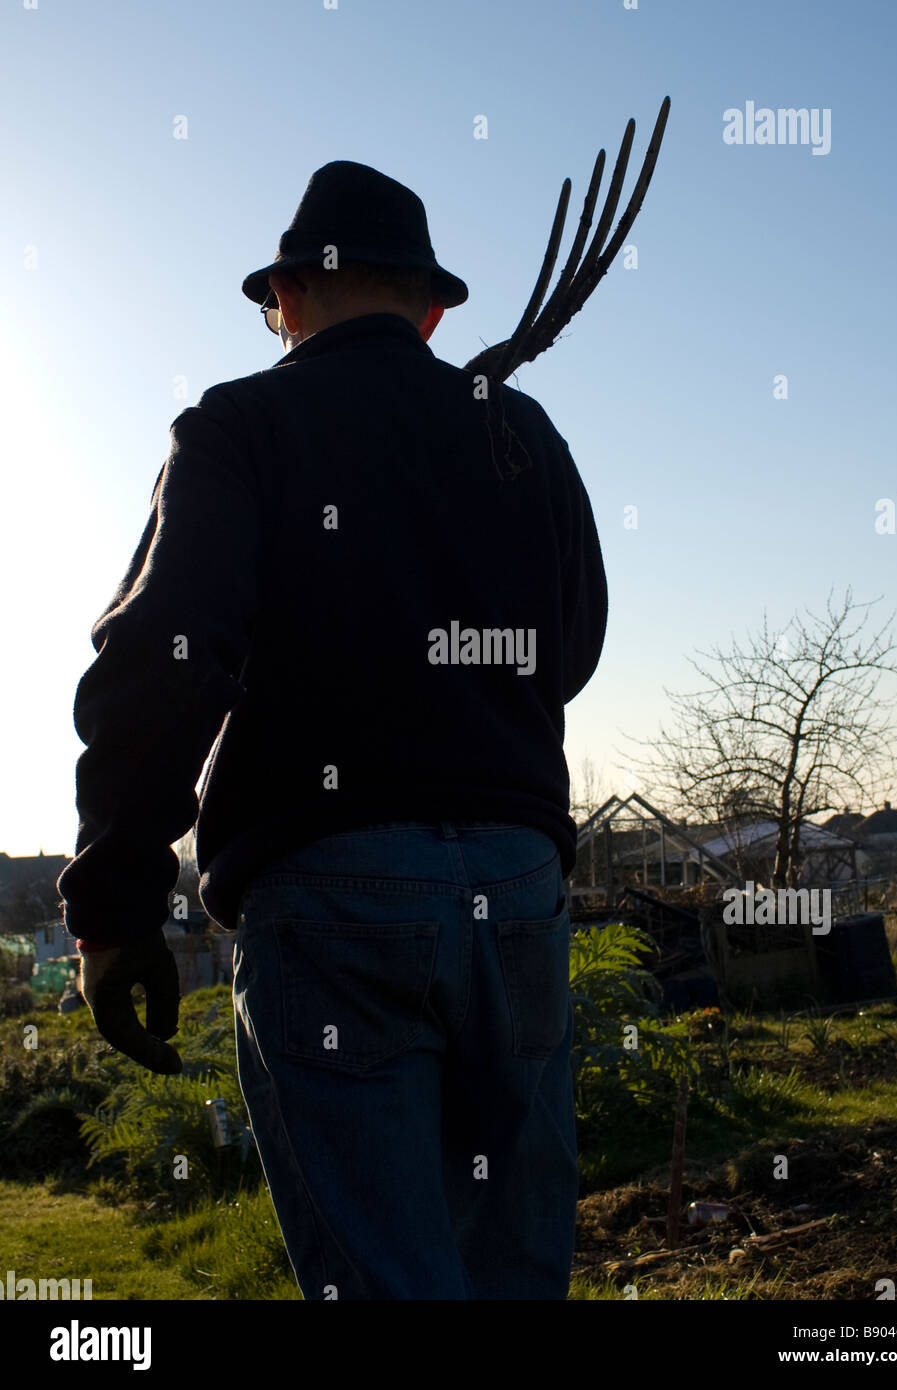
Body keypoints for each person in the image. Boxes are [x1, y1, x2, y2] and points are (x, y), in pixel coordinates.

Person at [57, 160, 608, 1300]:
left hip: (334, 897)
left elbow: (165, 658)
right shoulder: (521, 432)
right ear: (431, 309)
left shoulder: (242, 426)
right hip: (517, 888)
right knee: (515, 1280)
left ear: (289, 297)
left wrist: (113, 905)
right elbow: (570, 650)